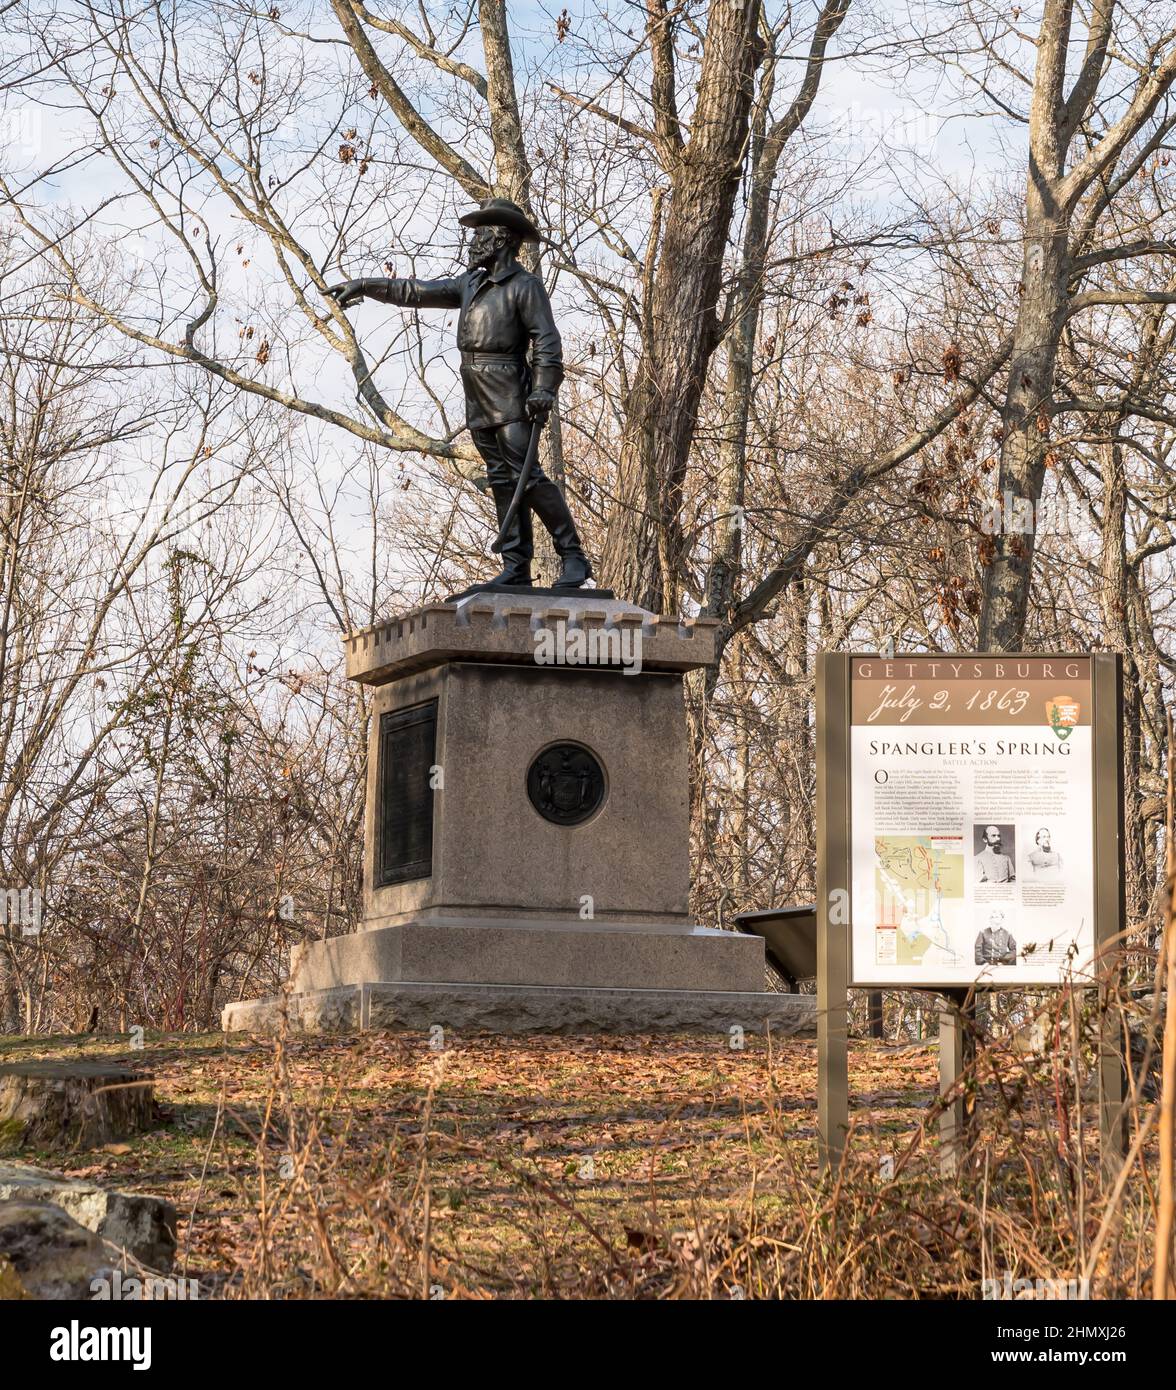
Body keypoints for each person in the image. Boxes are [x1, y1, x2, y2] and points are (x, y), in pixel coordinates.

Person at [326, 198, 592, 591]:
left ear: (500, 240)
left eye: (480, 235)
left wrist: (543, 390)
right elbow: (415, 291)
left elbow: (547, 342)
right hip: (476, 392)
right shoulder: (470, 283)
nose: (472, 243)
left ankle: (573, 556)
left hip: (511, 390)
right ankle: (516, 565)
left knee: (528, 478)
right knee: (502, 478)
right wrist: (365, 284)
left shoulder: (524, 286)